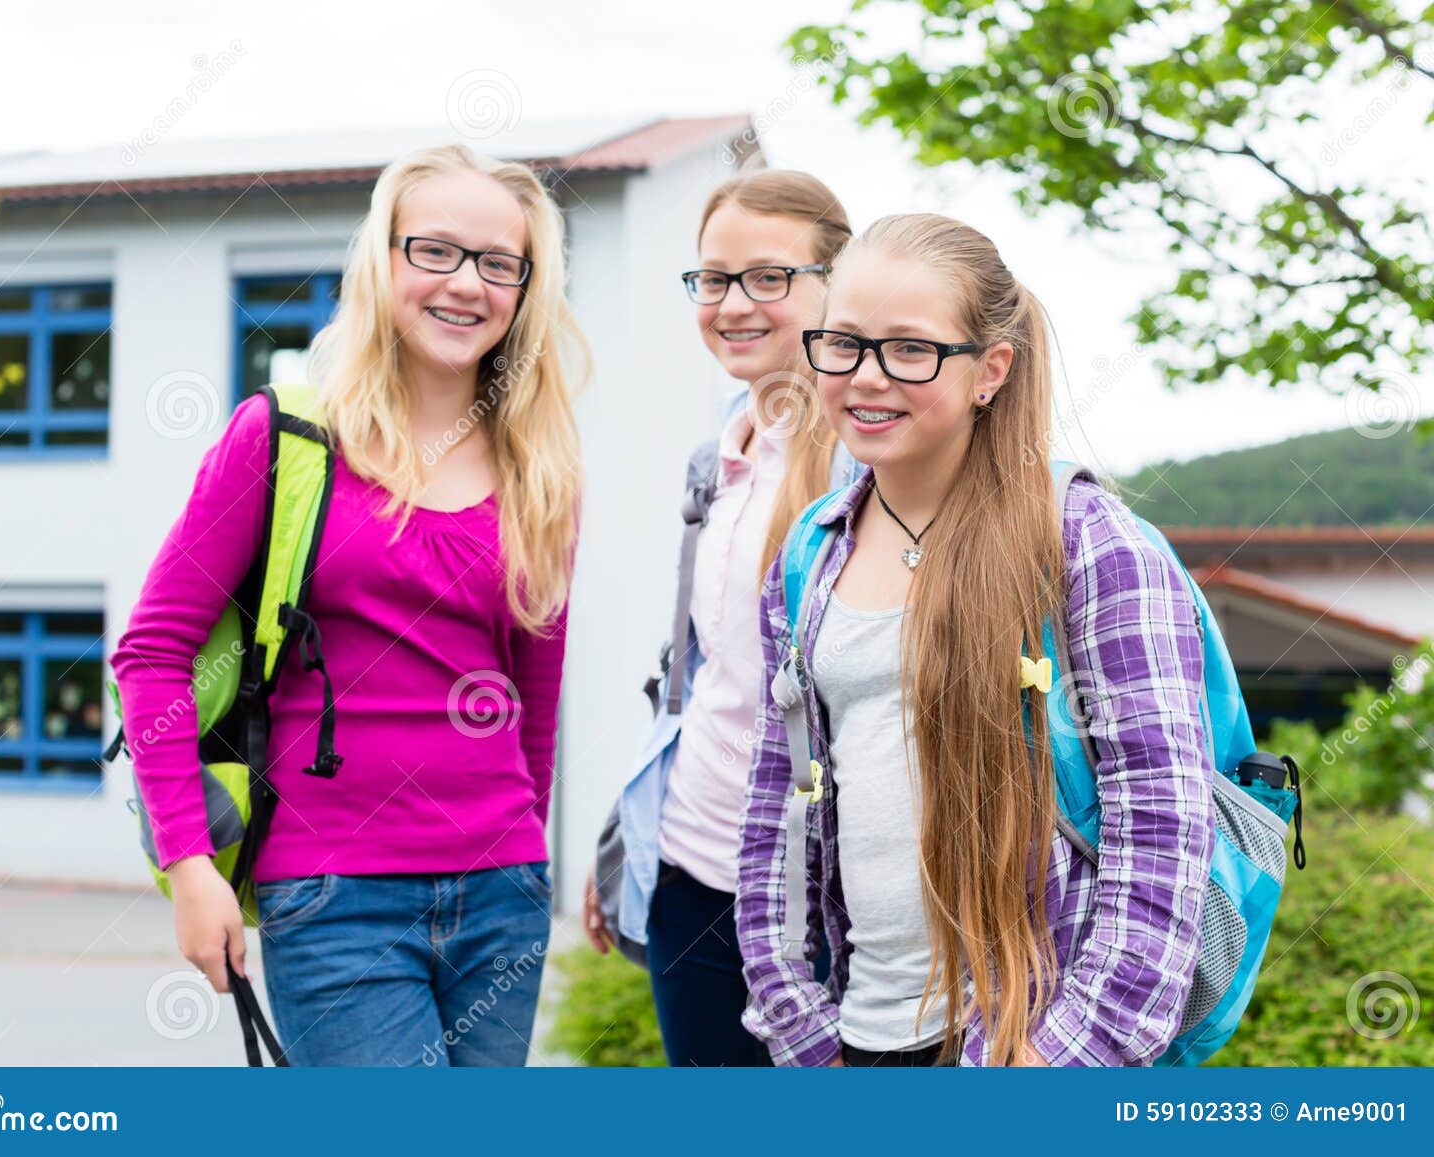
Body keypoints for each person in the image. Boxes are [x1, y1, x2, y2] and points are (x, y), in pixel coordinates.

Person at [113, 143, 589, 1067]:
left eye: (500, 264)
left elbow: (534, 697)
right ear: (385, 259)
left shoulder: (546, 472)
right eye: (436, 251)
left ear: (525, 288)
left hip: (502, 891)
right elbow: (152, 654)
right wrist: (188, 865)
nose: (467, 284)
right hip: (335, 892)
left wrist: (527, 851)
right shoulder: (285, 436)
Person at [737, 212, 1215, 1067]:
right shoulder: (810, 550)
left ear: (990, 370)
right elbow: (780, 804)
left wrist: (1064, 1061)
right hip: (856, 1040)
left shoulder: (1087, 544)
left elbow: (1162, 839)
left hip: (1025, 1048)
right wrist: (800, 1023)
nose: (866, 377)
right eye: (841, 342)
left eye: (911, 350)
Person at [582, 170, 857, 1066]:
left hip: (826, 901)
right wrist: (631, 835)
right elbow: (700, 682)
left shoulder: (872, 462)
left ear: (836, 283)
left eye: (769, 277)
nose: (734, 304)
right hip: (692, 880)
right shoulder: (719, 459)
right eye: (714, 278)